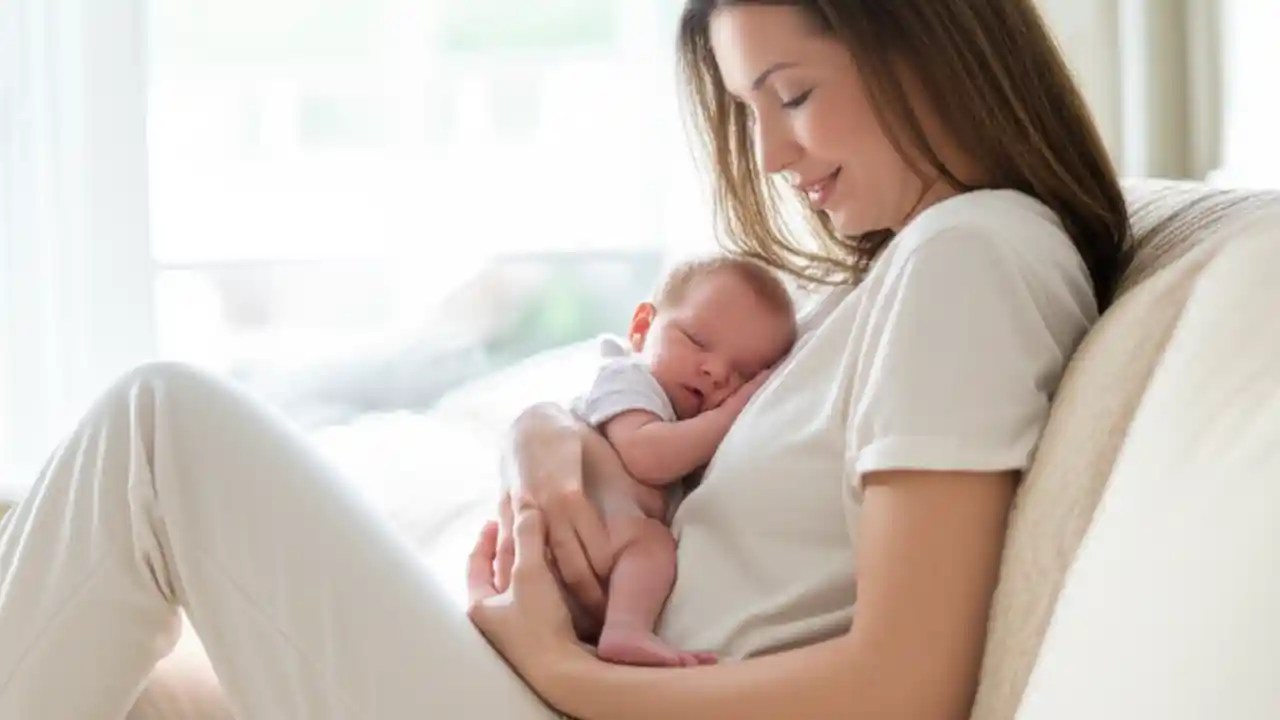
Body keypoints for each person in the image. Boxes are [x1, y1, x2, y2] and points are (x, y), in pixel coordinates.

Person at [0, 0, 1128, 717]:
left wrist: (567, 675)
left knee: (155, 438)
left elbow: (901, 685)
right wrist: (539, 439)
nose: (774, 154)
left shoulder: (973, 255)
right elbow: (675, 454)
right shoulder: (877, 280)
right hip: (531, 674)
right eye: (749, 111)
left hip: (563, 699)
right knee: (129, 669)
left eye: (791, 95)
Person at [540, 256, 796, 667]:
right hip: (565, 533)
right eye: (696, 340)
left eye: (743, 373)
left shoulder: (686, 425)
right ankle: (626, 630)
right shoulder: (627, 377)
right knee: (653, 545)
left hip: (598, 551)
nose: (714, 370)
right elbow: (646, 455)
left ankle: (614, 633)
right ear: (642, 328)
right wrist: (728, 414)